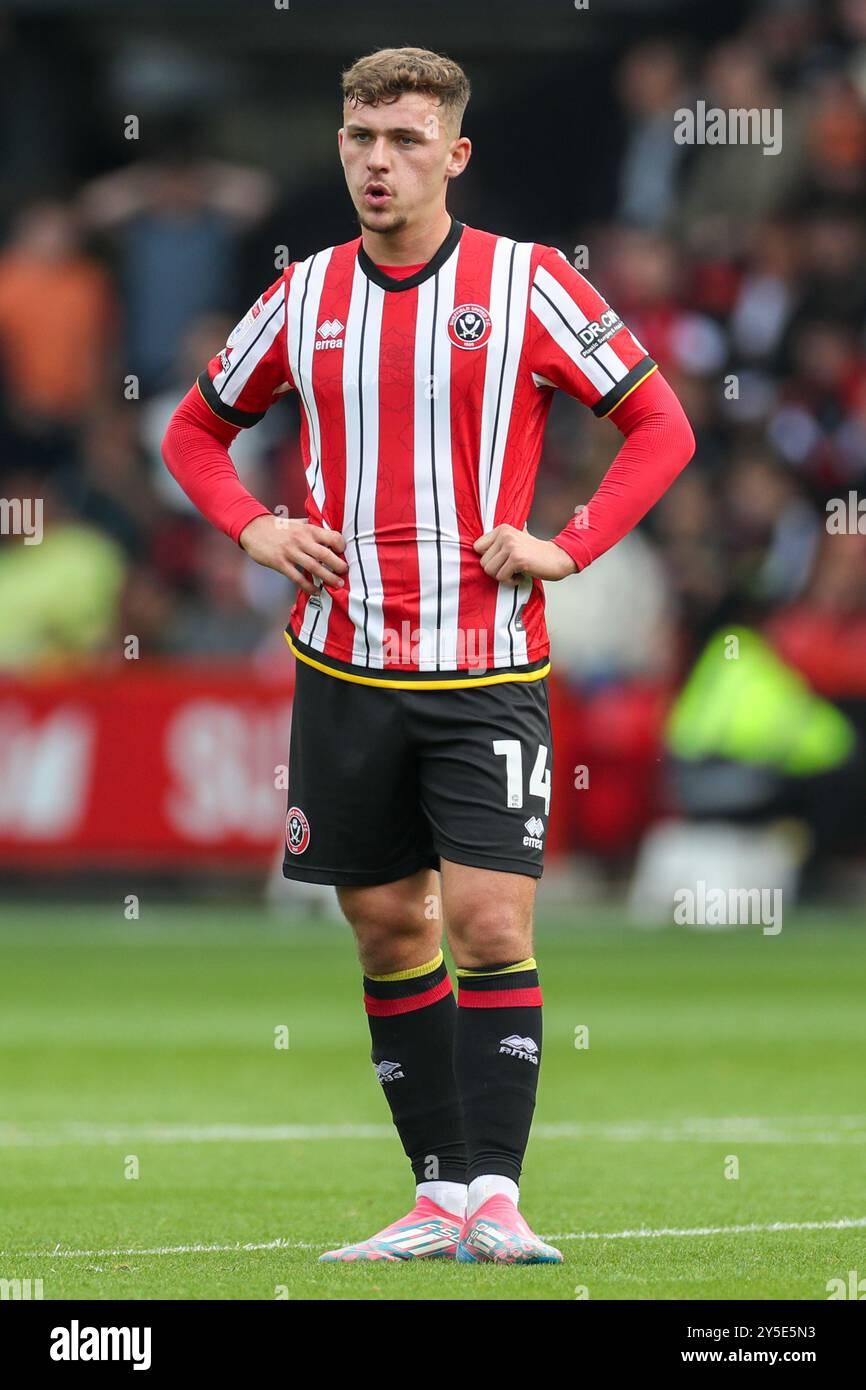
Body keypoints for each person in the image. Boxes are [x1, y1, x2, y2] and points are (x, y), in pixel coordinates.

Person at [162, 45, 695, 1265]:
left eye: (405, 141)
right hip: (343, 668)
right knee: (387, 928)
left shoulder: (531, 284)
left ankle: (497, 1198)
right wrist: (256, 525)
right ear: (340, 149)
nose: (378, 162)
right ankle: (434, 1193)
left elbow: (658, 426)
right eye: (360, 140)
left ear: (453, 154)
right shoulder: (299, 298)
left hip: (484, 666)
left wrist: (568, 546)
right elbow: (195, 431)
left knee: (491, 922)